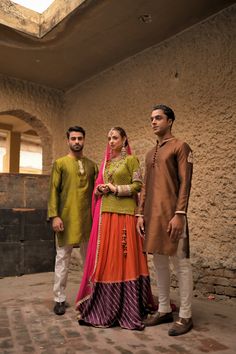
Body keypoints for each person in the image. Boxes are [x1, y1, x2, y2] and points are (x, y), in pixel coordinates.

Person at [75, 127, 154, 330]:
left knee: (125, 259)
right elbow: (99, 185)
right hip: (106, 215)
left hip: (125, 215)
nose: (111, 141)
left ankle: (129, 307)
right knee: (109, 259)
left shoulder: (131, 160)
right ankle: (106, 305)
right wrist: (101, 188)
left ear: (124, 139)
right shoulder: (106, 163)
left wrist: (116, 189)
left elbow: (138, 186)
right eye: (109, 138)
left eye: (115, 137)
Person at [136, 104, 193, 336]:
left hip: (173, 216)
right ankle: (163, 309)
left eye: (158, 118)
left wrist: (180, 214)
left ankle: (186, 315)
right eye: (151, 118)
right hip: (152, 217)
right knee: (158, 263)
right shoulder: (150, 153)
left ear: (170, 121)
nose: (153, 122)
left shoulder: (181, 147)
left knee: (181, 264)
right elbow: (145, 187)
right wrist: (140, 214)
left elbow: (185, 183)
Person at [48, 126, 98, 316]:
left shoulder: (92, 165)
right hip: (65, 218)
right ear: (67, 141)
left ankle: (90, 296)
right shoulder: (60, 164)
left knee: (89, 260)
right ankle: (59, 298)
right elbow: (53, 190)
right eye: (73, 139)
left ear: (84, 140)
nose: (77, 142)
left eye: (80, 138)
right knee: (62, 258)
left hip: (88, 219)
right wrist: (55, 215)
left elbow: (96, 193)